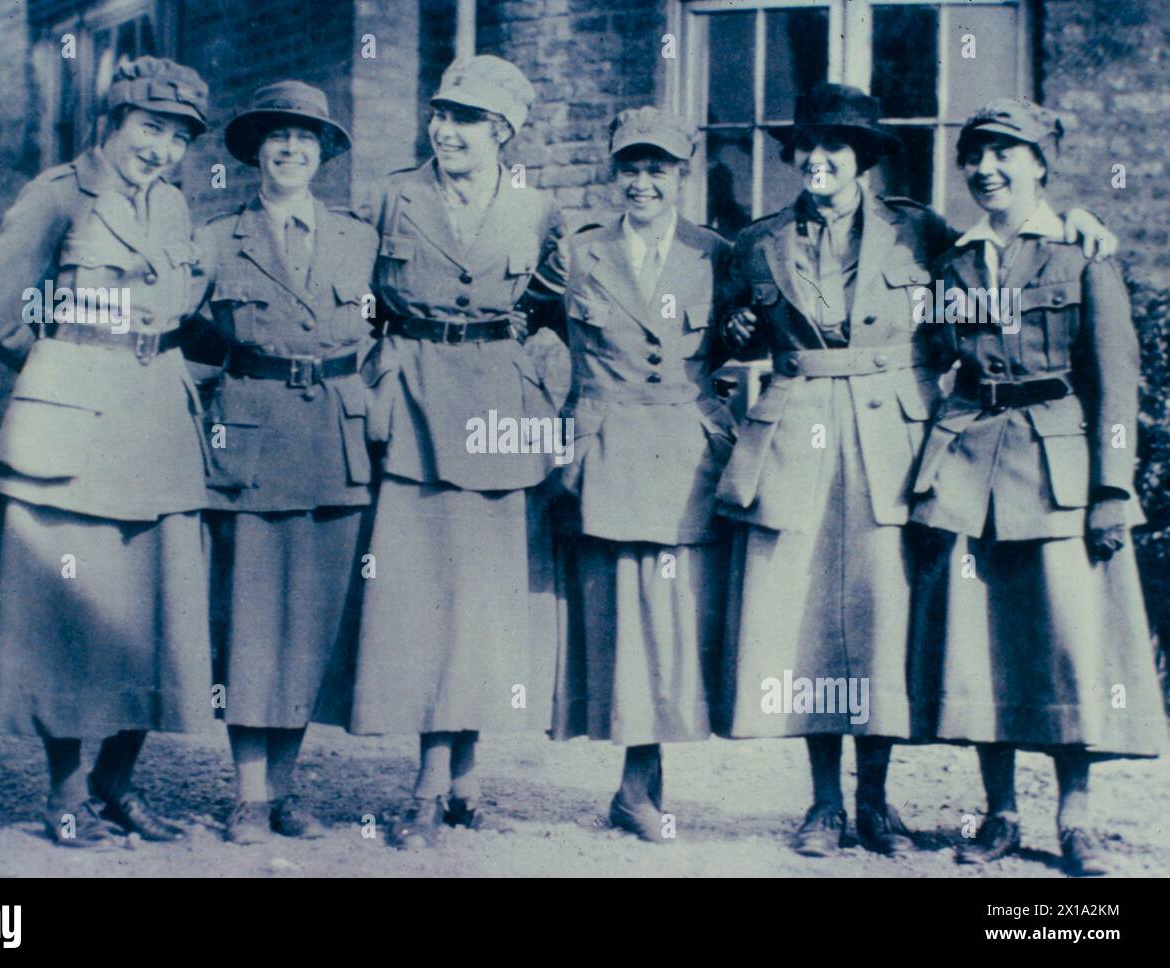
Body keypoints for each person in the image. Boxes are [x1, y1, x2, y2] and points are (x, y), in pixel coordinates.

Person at [714, 82, 1116, 858]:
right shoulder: (758, 242)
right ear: (794, 154)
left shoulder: (919, 232)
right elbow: (724, 339)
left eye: (840, 147)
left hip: (896, 440)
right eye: (810, 146)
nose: (821, 160)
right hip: (800, 434)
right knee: (809, 625)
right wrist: (737, 337)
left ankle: (878, 801)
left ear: (863, 159)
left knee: (882, 617)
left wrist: (1075, 223)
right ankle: (824, 804)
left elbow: (996, 261)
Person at [908, 98, 1168, 876]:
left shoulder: (1083, 256)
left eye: (1005, 154)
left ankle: (1076, 819)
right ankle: (999, 813)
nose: (987, 169)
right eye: (976, 156)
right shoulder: (952, 265)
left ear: (1040, 165)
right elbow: (927, 353)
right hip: (968, 467)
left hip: (1059, 472)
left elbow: (1118, 385)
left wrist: (1114, 488)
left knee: (1066, 647)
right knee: (981, 642)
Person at [0, 57, 211, 847]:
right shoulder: (58, 193)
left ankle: (116, 787)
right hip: (71, 440)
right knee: (67, 618)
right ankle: (65, 795)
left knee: (156, 617)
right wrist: (63, 367)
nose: (161, 150)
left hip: (157, 434)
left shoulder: (174, 208)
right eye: (150, 129)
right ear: (115, 120)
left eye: (177, 139)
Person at [349, 55, 562, 849]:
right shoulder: (396, 198)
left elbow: (559, 318)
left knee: (483, 601)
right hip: (412, 406)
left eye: (467, 120)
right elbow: (360, 302)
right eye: (441, 115)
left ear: (502, 132)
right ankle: (429, 781)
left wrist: (547, 399)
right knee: (417, 600)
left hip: (499, 416)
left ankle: (460, 774)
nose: (447, 131)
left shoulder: (538, 210)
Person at [189, 81, 378, 844]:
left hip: (336, 437)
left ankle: (290, 786)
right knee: (253, 619)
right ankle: (248, 794)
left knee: (315, 621)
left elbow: (389, 330)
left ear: (324, 155)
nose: (292, 150)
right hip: (254, 437)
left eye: (306, 139)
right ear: (255, 154)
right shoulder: (213, 239)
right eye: (278, 138)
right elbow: (187, 336)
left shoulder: (359, 241)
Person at [545, 107, 736, 842]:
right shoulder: (576, 254)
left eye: (658, 168)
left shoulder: (717, 254)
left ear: (682, 175)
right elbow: (518, 321)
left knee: (674, 621)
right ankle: (633, 785)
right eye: (631, 167)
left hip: (685, 452)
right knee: (621, 618)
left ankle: (640, 785)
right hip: (610, 444)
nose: (643, 182)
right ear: (614, 174)